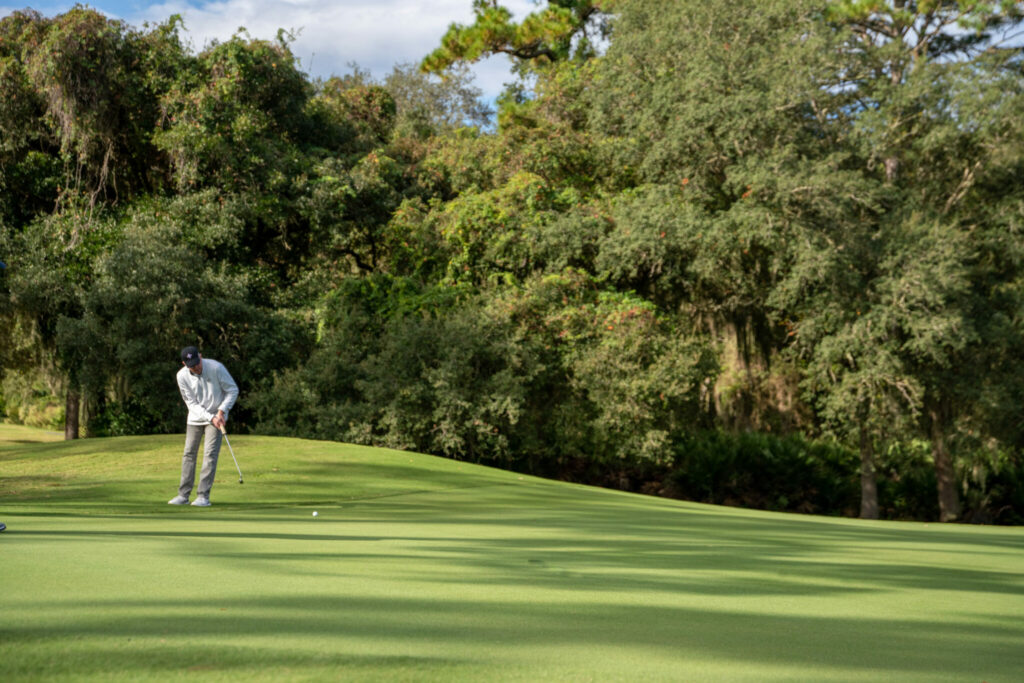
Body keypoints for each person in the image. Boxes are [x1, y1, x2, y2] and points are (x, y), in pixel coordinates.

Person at [169, 346, 239, 507]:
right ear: (184, 364)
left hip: (217, 416)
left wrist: (221, 411)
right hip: (195, 418)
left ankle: (203, 496)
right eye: (192, 365)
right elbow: (191, 403)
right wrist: (210, 417)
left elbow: (232, 390)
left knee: (210, 455)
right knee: (188, 454)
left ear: (200, 356)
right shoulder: (181, 376)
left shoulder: (216, 368)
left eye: (197, 363)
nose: (196, 367)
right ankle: (183, 495)